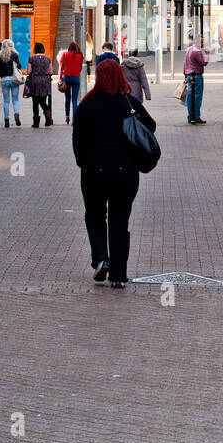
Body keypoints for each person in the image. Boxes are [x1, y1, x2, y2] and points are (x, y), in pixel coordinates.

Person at [72, 58, 156, 289]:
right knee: (120, 221)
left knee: (95, 215)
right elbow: (151, 126)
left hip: (94, 172)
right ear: (120, 77)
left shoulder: (87, 106)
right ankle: (118, 274)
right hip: (125, 173)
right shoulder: (129, 103)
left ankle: (101, 259)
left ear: (98, 79)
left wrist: (84, 164)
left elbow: (77, 142)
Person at [26, 41, 54, 128]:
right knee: (43, 101)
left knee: (35, 102)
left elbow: (29, 71)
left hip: (35, 81)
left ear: (35, 49)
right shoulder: (48, 58)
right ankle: (48, 119)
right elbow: (51, 71)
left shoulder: (31, 58)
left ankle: (36, 122)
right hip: (45, 81)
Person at [183, 33, 209, 125]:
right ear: (197, 41)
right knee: (197, 97)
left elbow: (185, 64)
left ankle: (191, 117)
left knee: (190, 97)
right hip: (197, 76)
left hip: (189, 76)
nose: (203, 43)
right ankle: (196, 117)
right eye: (202, 42)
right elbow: (204, 63)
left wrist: (185, 76)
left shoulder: (189, 49)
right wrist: (207, 55)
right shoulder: (197, 51)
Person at [0, 38, 22, 128]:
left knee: (6, 101)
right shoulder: (15, 55)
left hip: (4, 80)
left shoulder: (0, 56)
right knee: (15, 99)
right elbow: (19, 65)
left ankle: (6, 119)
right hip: (14, 79)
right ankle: (16, 114)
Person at [58, 40, 84, 124]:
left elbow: (61, 68)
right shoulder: (80, 56)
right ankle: (75, 119)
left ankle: (67, 117)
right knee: (74, 100)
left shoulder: (65, 55)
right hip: (76, 78)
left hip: (67, 79)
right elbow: (80, 68)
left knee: (67, 99)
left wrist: (60, 79)